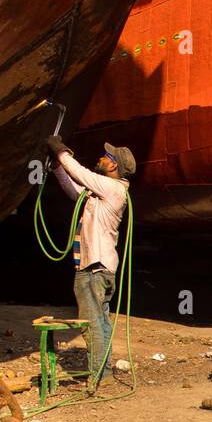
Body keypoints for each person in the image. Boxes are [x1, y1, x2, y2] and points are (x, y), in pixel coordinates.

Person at [45, 135, 135, 391]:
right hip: (101, 268)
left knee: (91, 324)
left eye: (106, 157)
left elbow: (81, 174)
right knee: (102, 322)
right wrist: (58, 167)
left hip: (94, 268)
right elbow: (75, 191)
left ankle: (94, 377)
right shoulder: (103, 193)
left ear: (114, 165)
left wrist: (60, 151)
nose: (101, 158)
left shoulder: (113, 188)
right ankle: (103, 373)